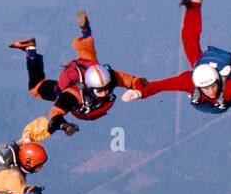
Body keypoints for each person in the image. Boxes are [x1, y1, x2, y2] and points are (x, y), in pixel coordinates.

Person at [120, 0, 231, 114]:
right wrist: (138, 92)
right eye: (206, 88)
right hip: (204, 64)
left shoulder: (230, 85)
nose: (211, 91)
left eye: (212, 86)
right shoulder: (188, 81)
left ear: (218, 81)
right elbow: (160, 86)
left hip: (228, 70)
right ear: (197, 85)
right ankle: (195, 6)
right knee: (189, 42)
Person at [12, 10, 148, 141]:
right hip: (70, 89)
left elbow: (132, 80)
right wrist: (65, 126)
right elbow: (55, 115)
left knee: (87, 49)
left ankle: (85, 28)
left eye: (106, 87)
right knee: (36, 88)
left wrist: (140, 86)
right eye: (100, 90)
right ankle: (31, 50)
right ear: (89, 86)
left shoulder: (110, 77)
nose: (105, 92)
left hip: (88, 69)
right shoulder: (71, 95)